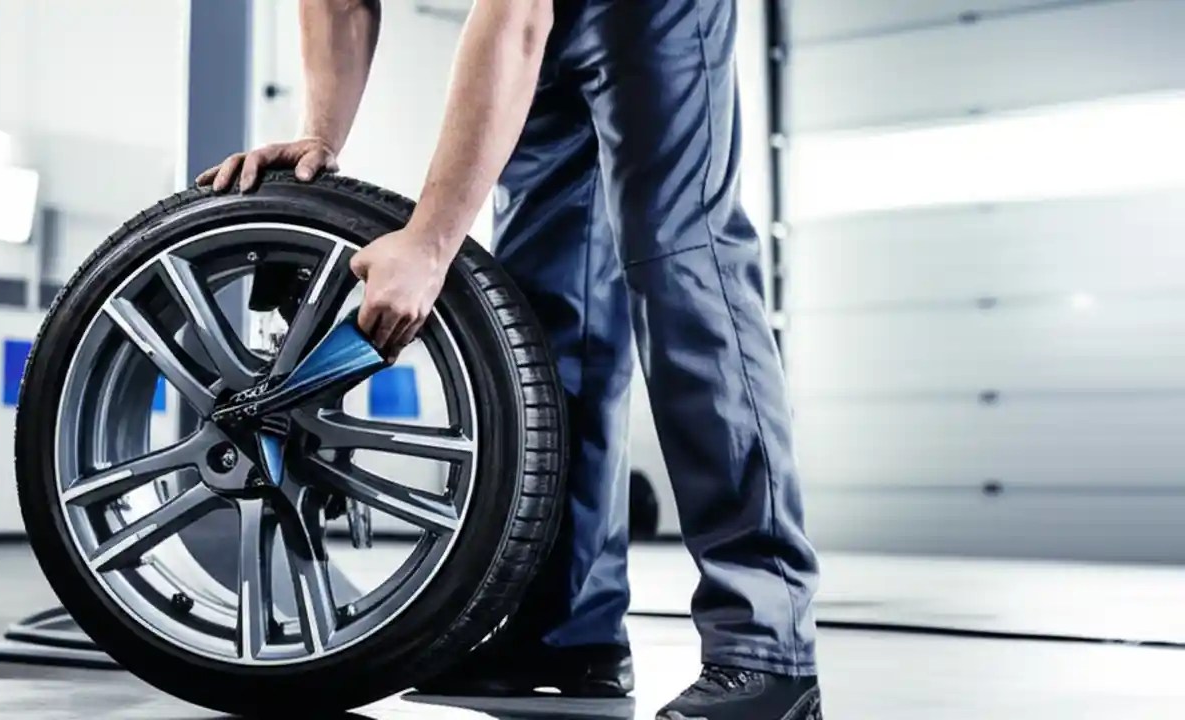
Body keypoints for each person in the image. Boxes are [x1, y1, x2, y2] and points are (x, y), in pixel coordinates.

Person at [198, 1, 821, 718]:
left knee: (684, 267)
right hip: (540, 26)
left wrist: (430, 242)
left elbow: (515, 17)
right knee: (547, 317)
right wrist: (319, 137)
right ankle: (561, 634)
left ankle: (766, 649)